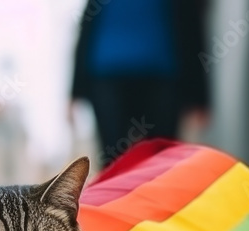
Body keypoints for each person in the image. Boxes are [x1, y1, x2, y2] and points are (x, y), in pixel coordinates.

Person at [71, 0, 211, 166]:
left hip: (161, 74)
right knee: (114, 160)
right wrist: (75, 91)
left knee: (161, 161)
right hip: (109, 74)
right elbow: (88, 24)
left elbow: (190, 23)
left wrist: (200, 96)